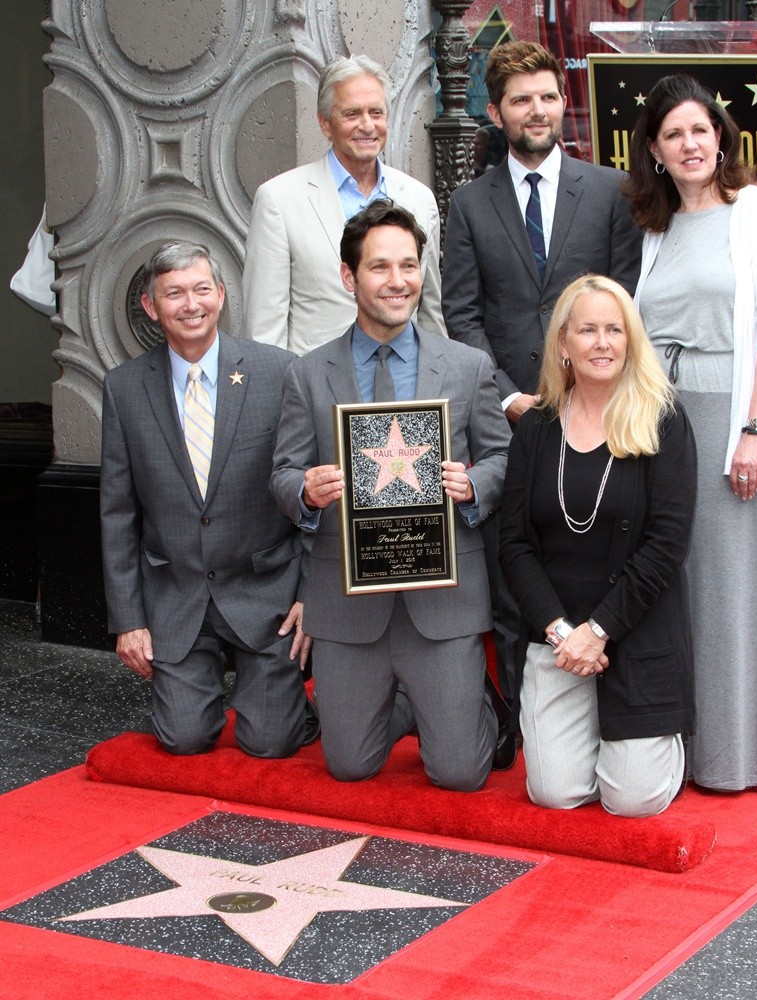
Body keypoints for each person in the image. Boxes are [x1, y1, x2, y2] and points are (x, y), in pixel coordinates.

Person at [270, 201, 510, 791]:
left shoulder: (467, 366)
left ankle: (470, 707)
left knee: (459, 775)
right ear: (350, 277)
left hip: (443, 595)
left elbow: (506, 457)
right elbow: (281, 472)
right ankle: (407, 705)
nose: (397, 281)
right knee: (350, 766)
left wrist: (474, 484)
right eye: (380, 267)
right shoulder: (308, 373)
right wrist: (305, 490)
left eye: (409, 265)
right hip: (348, 600)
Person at [442, 40, 642, 713]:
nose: (538, 110)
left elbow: (622, 305)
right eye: (522, 100)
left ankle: (606, 703)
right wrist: (507, 396)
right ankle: (519, 726)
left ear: (564, 104)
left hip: (596, 411)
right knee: (512, 569)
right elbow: (462, 312)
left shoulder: (611, 190)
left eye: (548, 97)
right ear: (496, 113)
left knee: (593, 554)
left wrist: (587, 387)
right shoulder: (469, 204)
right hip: (509, 418)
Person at [625, 73, 757, 790]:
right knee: (678, 585)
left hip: (730, 415)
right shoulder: (656, 226)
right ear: (655, 151)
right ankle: (680, 748)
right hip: (663, 423)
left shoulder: (754, 212)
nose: (689, 143)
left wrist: (756, 432)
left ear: (722, 135)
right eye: (673, 134)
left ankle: (733, 760)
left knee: (728, 593)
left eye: (700, 129)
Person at [100, 241, 313, 758]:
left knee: (270, 742)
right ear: (152, 307)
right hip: (177, 596)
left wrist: (313, 594)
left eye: (201, 289)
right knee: (184, 738)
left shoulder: (279, 372)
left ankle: (310, 702)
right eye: (174, 293)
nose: (190, 304)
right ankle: (203, 694)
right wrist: (128, 621)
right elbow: (118, 512)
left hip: (267, 594)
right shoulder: (124, 388)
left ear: (221, 294)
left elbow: (308, 493)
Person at [499, 275, 696, 817]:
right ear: (564, 344)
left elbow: (666, 547)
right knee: (555, 793)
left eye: (615, 329)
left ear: (631, 340)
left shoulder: (663, 420)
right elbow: (514, 544)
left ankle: (663, 747)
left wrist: (600, 631)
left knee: (633, 800)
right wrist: (565, 634)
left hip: (635, 632)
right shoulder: (536, 429)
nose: (602, 342)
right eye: (588, 330)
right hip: (558, 639)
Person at [242, 54, 445, 354]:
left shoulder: (419, 199)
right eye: (352, 114)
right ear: (325, 123)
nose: (367, 125)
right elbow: (264, 331)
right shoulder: (279, 200)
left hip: (404, 393)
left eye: (376, 112)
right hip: (317, 390)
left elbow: (430, 315)